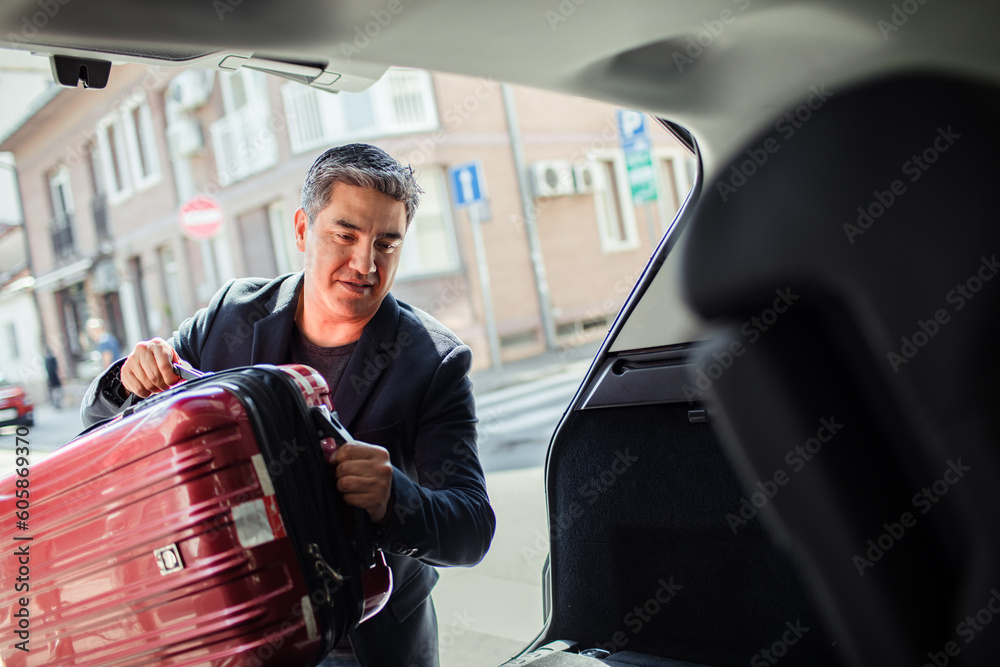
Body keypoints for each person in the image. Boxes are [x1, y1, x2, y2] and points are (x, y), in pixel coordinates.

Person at [81, 144, 496, 667]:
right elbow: (99, 431)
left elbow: (473, 528)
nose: (365, 263)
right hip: (230, 624)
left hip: (361, 639)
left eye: (386, 244)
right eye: (345, 236)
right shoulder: (230, 317)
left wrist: (394, 497)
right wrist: (126, 380)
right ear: (302, 229)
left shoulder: (434, 362)